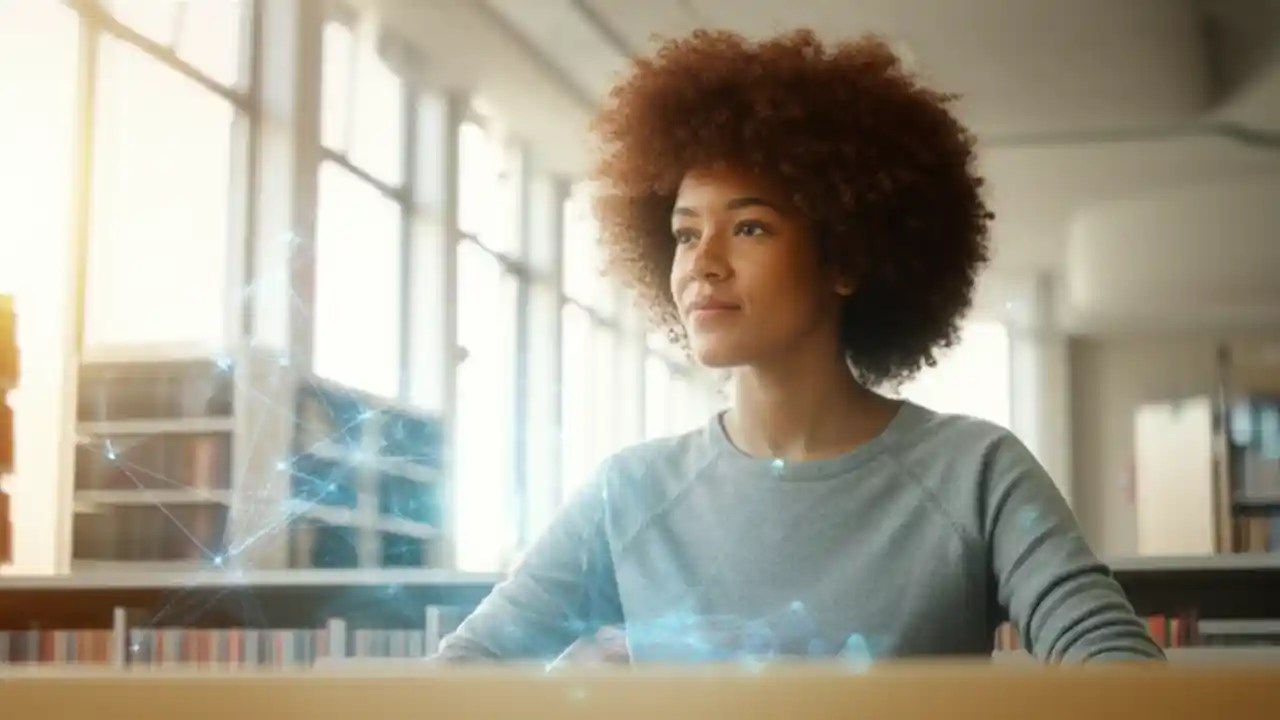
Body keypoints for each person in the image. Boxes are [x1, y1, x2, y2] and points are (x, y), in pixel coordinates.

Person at [434, 29, 1163, 664]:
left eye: (749, 227)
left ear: (845, 258)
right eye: (686, 233)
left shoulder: (975, 472)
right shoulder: (629, 493)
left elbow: (1112, 659)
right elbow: (467, 667)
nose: (702, 263)